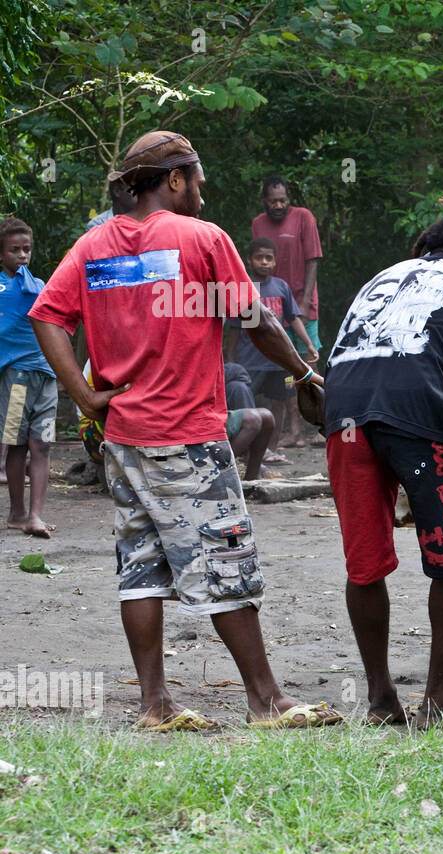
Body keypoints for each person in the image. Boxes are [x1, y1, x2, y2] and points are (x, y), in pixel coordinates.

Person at [28, 129, 340, 731]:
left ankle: (154, 704)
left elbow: (47, 316)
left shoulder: (94, 246)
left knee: (140, 566)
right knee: (226, 563)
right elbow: (257, 323)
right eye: (197, 178)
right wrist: (306, 373)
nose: (203, 190)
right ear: (174, 179)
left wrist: (87, 397)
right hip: (188, 434)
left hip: (122, 436)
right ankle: (267, 701)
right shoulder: (203, 238)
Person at [323, 195, 443, 728]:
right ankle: (436, 702)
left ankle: (381, 700)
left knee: (365, 565)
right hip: (421, 417)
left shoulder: (380, 278)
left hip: (345, 415)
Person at [225, 238, 316, 460]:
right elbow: (235, 330)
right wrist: (230, 359)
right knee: (246, 400)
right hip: (250, 361)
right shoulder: (244, 289)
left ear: (274, 261)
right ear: (249, 261)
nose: (264, 262)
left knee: (281, 402)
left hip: (279, 362)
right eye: (259, 258)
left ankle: (270, 449)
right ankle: (249, 449)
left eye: (269, 258)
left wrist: (308, 344)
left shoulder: (281, 286)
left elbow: (292, 318)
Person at [252, 175, 323, 447]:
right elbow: (259, 260)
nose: (278, 205)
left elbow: (313, 261)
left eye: (283, 200)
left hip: (303, 304)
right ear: (264, 201)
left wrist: (304, 304)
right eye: (273, 201)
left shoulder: (304, 217)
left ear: (289, 200)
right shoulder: (259, 223)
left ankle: (321, 424)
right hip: (272, 307)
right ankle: (293, 431)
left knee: (308, 361)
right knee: (285, 367)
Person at [0, 218, 56, 537]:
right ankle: (17, 513)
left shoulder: (38, 285)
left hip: (46, 375)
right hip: (16, 378)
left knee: (42, 443)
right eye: (14, 250)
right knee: (17, 444)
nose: (22, 255)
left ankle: (35, 515)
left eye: (27, 249)